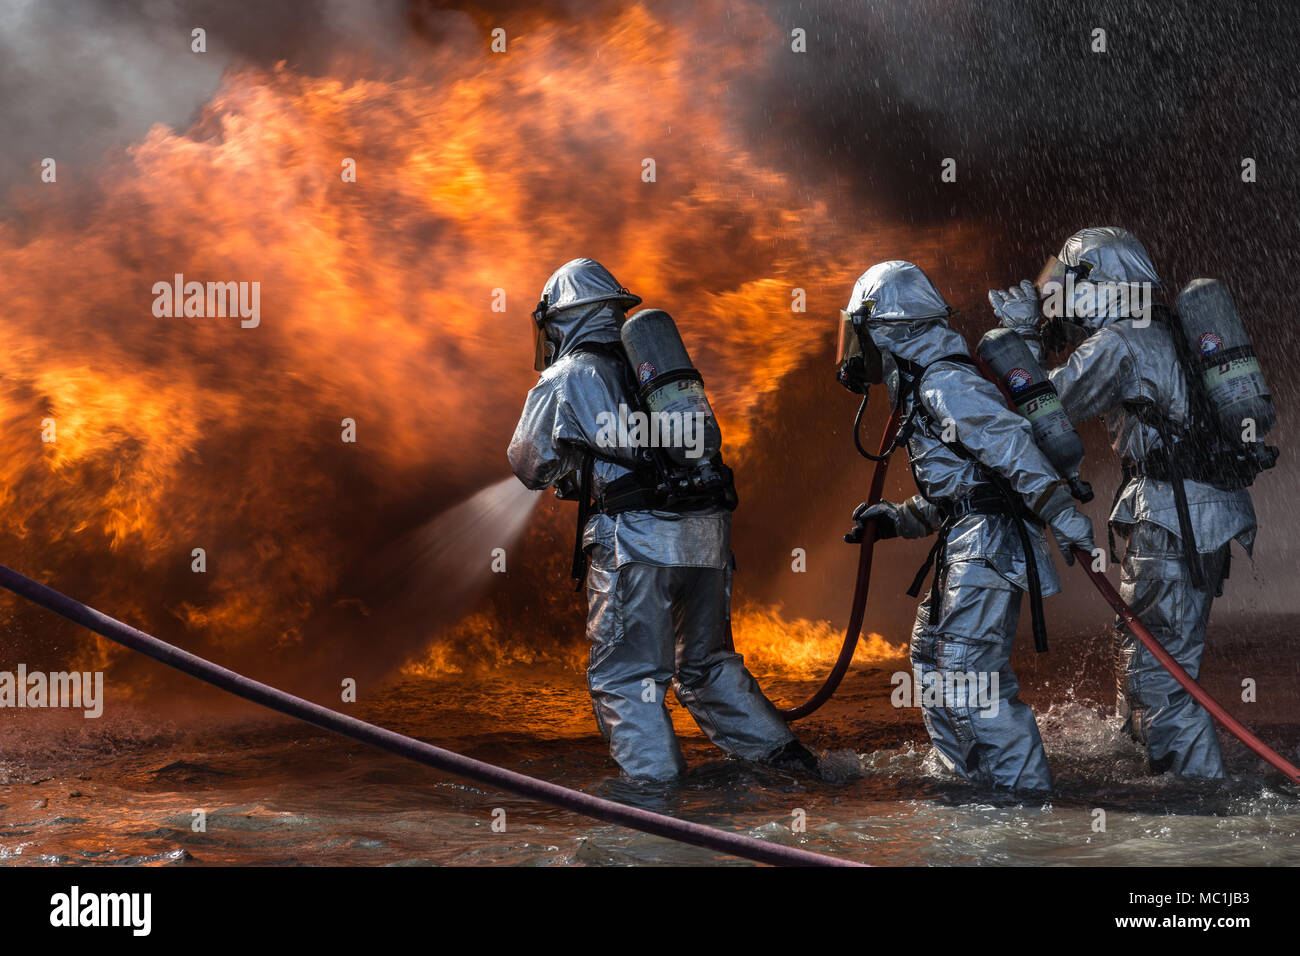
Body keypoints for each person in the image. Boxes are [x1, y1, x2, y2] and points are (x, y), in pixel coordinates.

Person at [508, 257, 817, 782]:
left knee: (628, 678)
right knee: (707, 666)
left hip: (635, 543)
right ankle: (794, 769)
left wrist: (574, 465)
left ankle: (656, 805)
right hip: (707, 538)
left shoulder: (566, 375)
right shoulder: (655, 368)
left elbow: (528, 464)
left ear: (560, 320)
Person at [988, 227, 1258, 779]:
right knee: (1155, 656)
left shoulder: (1119, 343)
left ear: (1103, 284)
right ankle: (1154, 772)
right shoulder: (1167, 329)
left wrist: (1020, 336)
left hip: (1169, 521)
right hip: (1200, 517)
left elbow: (1042, 410)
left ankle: (1203, 811)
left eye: (1066, 285)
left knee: (1160, 678)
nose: (1057, 299)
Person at [841, 260, 1095, 792]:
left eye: (859, 331)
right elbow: (965, 487)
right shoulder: (925, 386)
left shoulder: (944, 382)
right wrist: (897, 519)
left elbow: (1013, 449)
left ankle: (1026, 801)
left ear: (888, 331)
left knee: (968, 675)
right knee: (932, 658)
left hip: (988, 547)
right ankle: (972, 784)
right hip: (970, 540)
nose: (855, 347)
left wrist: (1066, 517)